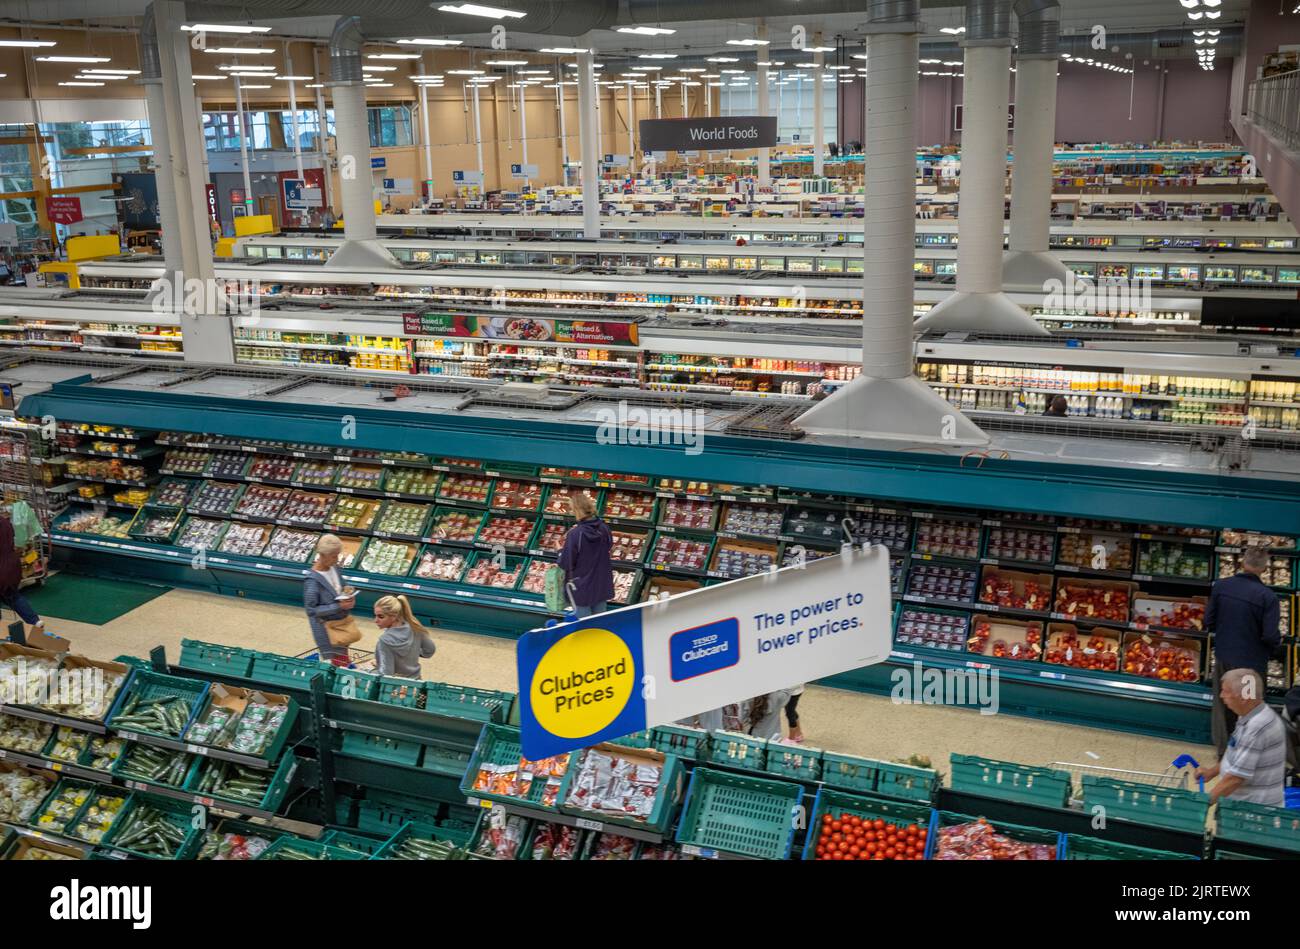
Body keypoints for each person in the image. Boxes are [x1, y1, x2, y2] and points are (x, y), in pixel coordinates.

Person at [1207, 547, 1282, 755]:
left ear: (1242, 563)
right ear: (1265, 568)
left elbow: (1208, 622)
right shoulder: (1268, 597)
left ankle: (1223, 752)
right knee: (1248, 707)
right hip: (1251, 665)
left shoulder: (1222, 586)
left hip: (1224, 657)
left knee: (1224, 704)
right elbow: (1269, 635)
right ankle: (1245, 751)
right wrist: (1275, 646)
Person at [1196, 668, 1287, 807]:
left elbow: (1235, 778)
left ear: (1244, 697)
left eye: (1226, 691)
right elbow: (1236, 754)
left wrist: (1203, 803)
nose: (1221, 695)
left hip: (1255, 813)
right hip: (1243, 804)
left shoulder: (1257, 728)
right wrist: (1211, 772)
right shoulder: (1250, 713)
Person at [557, 492, 613, 618]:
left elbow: (566, 563)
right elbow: (608, 547)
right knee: (599, 623)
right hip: (601, 584)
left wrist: (560, 551)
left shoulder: (575, 534)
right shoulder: (604, 528)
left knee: (583, 625)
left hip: (581, 586)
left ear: (577, 510)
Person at [303, 534, 355, 667]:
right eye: (334, 556)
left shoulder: (334, 568)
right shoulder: (312, 581)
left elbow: (342, 585)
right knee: (336, 665)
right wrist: (338, 606)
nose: (337, 559)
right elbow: (311, 610)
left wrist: (348, 593)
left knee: (343, 660)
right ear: (322, 555)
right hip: (327, 631)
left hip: (341, 625)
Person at [0, 513, 43, 636]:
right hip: (12, 565)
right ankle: (35, 622)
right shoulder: (5, 522)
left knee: (10, 595)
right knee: (12, 595)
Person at [373, 594, 435, 678]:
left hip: (394, 689)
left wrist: (369, 671)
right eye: (375, 616)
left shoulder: (384, 641)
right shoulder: (415, 627)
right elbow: (430, 650)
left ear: (394, 617)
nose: (375, 621)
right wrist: (413, 651)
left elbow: (386, 674)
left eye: (380, 616)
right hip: (415, 683)